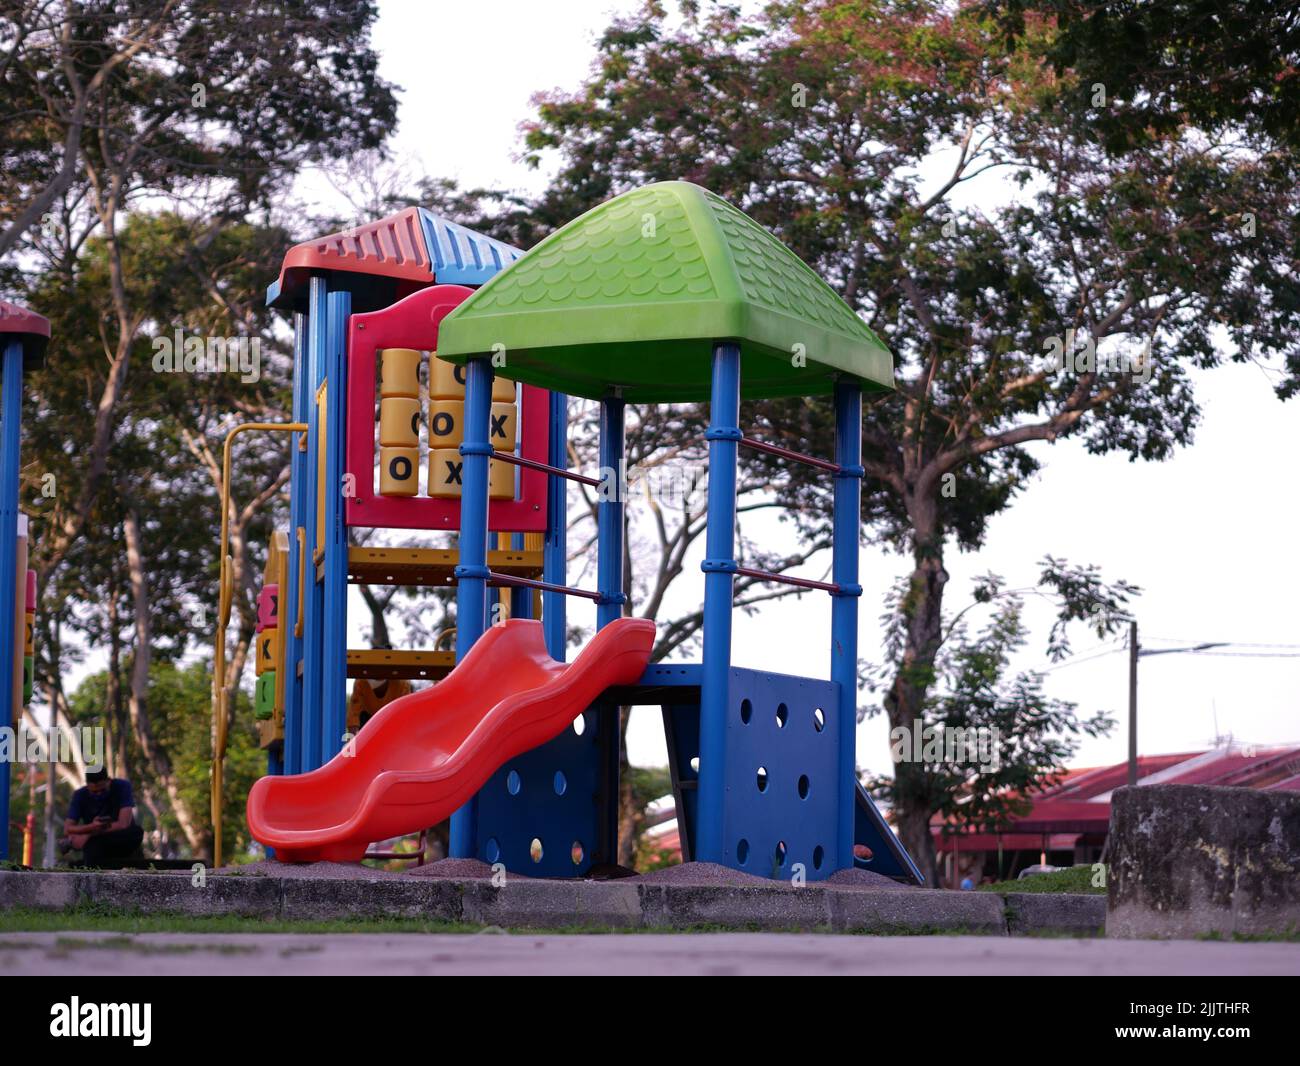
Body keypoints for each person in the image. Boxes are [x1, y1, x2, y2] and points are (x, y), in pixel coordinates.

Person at [63, 768, 144, 866]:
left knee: (136, 832)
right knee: (93, 846)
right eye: (94, 792)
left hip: (119, 838)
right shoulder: (80, 795)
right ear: (87, 785)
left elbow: (123, 824)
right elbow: (68, 829)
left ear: (108, 781)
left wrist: (89, 834)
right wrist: (92, 826)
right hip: (96, 844)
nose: (99, 794)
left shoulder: (122, 786)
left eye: (102, 790)